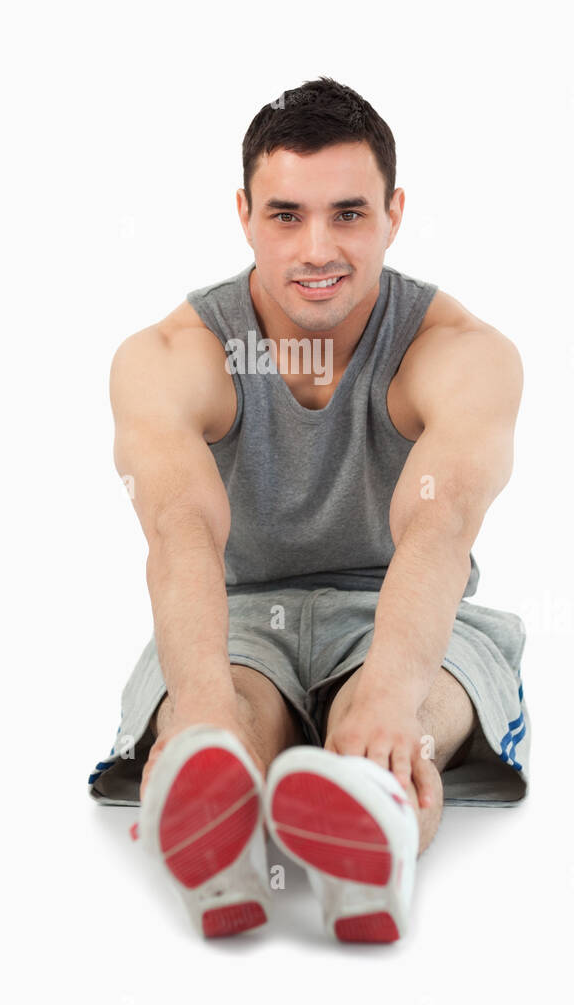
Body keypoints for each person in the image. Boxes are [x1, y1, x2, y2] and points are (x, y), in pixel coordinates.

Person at [88, 76, 530, 943]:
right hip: (235, 614)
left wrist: (393, 696)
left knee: (400, 725)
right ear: (245, 214)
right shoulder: (171, 355)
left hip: (399, 606)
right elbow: (180, 532)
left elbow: (437, 527)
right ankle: (223, 812)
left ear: (395, 213)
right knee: (219, 718)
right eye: (286, 215)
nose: (317, 248)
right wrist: (205, 698)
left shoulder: (463, 354)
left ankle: (369, 817)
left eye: (350, 215)